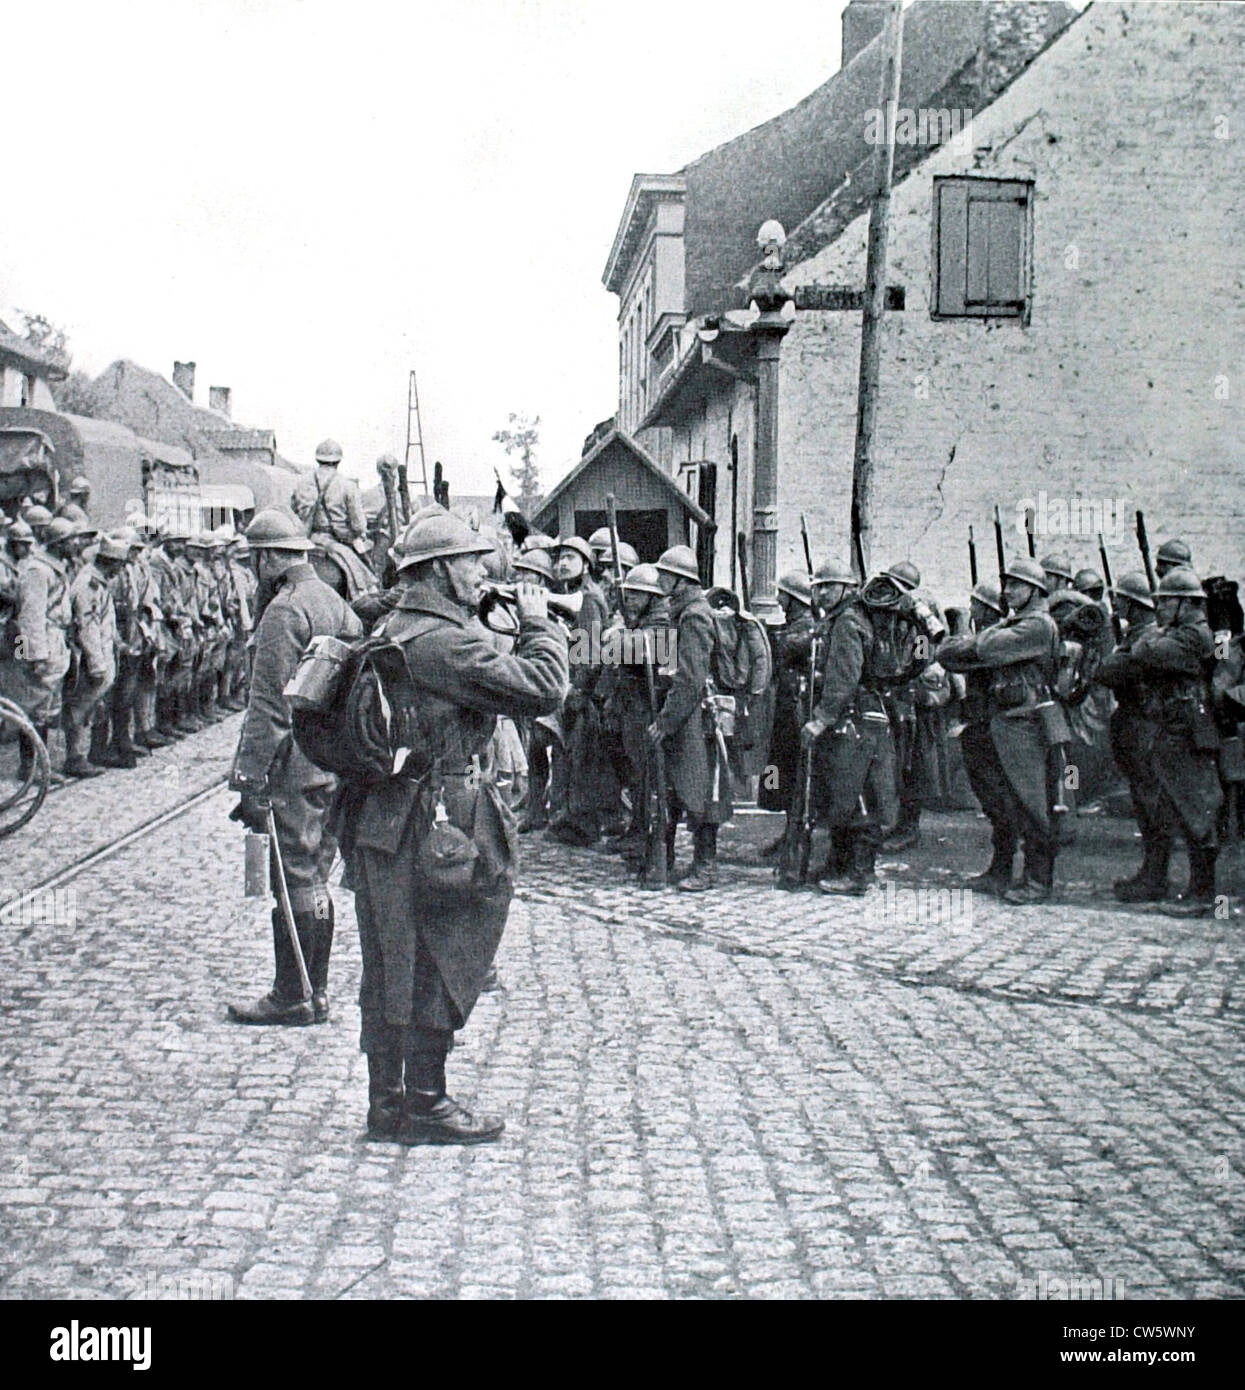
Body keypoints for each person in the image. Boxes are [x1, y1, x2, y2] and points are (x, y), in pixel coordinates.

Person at [335, 511, 568, 1145]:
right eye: (470, 560)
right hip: (435, 822)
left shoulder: (395, 626)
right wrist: (540, 622)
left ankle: (388, 1105)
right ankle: (427, 1104)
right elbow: (543, 687)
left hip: (385, 818)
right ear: (439, 570)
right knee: (443, 952)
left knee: (390, 959)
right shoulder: (442, 643)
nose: (483, 569)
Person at [227, 507, 362, 1025]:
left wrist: (249, 780)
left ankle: (296, 994)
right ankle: (314, 990)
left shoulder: (284, 611)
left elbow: (269, 706)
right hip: (332, 760)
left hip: (295, 763)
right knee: (315, 872)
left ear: (266, 559)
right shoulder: (335, 602)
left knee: (294, 876)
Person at [936, 557, 1065, 904]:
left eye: (1017, 585)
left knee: (1032, 803)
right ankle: (1001, 870)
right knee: (1004, 802)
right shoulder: (1015, 623)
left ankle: (1038, 880)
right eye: (1006, 584)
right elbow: (949, 657)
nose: (1008, 591)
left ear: (1036, 590)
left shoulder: (1036, 625)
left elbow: (983, 649)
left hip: (1025, 722)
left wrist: (973, 636)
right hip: (1005, 721)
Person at [1126, 568, 1222, 916]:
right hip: (1174, 725)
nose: (1160, 609)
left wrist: (1152, 637)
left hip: (1187, 728)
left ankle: (1203, 894)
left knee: (1196, 808)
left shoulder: (1194, 635)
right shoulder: (1185, 632)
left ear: (1186, 603)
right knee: (1176, 805)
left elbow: (1144, 652)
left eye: (1166, 602)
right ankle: (1182, 886)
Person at [648, 545, 730, 892]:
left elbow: (690, 678)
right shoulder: (682, 612)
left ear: (680, 581)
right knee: (679, 787)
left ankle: (706, 867)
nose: (660, 581)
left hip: (696, 717)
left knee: (700, 791)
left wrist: (666, 722)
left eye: (665, 576)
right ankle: (679, 862)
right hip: (687, 713)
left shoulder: (695, 615)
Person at [939, 583, 1017, 892]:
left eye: (975, 606)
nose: (971, 611)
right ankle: (1000, 867)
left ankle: (1003, 869)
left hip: (992, 729)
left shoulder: (992, 641)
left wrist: (958, 626)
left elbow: (950, 655)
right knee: (994, 801)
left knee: (1001, 802)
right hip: (981, 726)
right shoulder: (990, 638)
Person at [1094, 572, 1165, 901]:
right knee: (1143, 798)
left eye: (1120, 598)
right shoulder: (1136, 633)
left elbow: (1110, 671)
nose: (1115, 603)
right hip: (1133, 719)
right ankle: (1151, 872)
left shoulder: (1147, 636)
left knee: (1151, 801)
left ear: (1133, 604)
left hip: (1144, 720)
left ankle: (1155, 875)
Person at [598, 562, 672, 863]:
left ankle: (645, 833)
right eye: (629, 594)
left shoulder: (662, 623)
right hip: (629, 705)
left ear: (652, 598)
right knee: (633, 771)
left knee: (646, 774)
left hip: (647, 708)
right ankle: (636, 827)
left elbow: (636, 651)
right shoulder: (637, 621)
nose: (630, 599)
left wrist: (617, 638)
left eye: (637, 595)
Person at [547, 536, 613, 847]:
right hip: (574, 682)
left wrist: (579, 690)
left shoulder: (587, 598)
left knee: (583, 757)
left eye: (570, 559)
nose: (562, 564)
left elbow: (591, 649)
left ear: (586, 565)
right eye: (559, 558)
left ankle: (584, 825)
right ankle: (572, 819)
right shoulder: (573, 594)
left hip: (583, 688)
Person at [758, 570, 818, 855]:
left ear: (794, 599)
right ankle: (789, 831)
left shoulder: (807, 628)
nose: (779, 600)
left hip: (798, 713)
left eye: (782, 594)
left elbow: (784, 648)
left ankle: (796, 837)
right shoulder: (794, 624)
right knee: (778, 773)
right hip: (784, 712)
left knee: (795, 775)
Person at [64, 524, 118, 779]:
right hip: (88, 656)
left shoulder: (97, 581)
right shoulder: (88, 585)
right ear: (110, 562)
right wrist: (97, 663)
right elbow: (86, 626)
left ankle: (86, 753)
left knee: (92, 706)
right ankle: (75, 756)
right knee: (80, 707)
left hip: (100, 651)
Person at [291, 439, 368, 549]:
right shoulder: (348, 485)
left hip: (305, 540)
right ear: (338, 461)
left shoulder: (301, 482)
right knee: (362, 566)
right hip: (339, 541)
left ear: (317, 459)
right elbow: (359, 526)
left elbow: (292, 512)